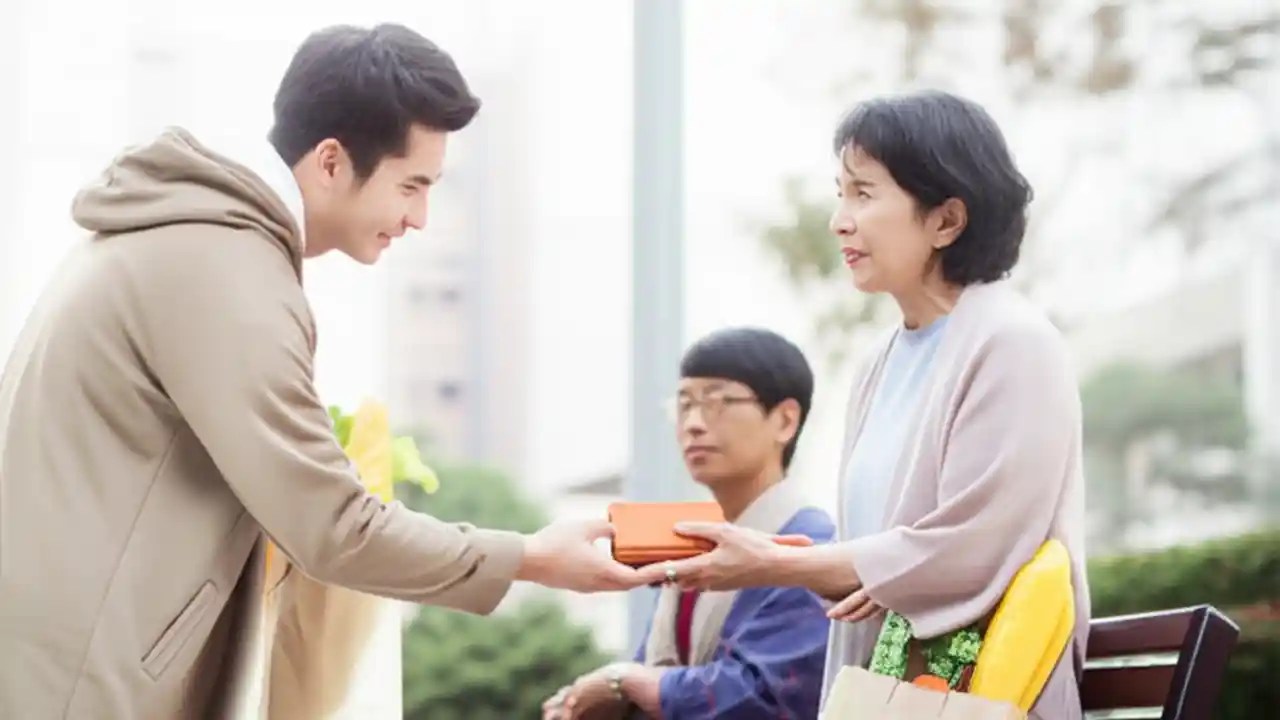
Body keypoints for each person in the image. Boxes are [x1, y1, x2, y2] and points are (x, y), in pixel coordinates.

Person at [0, 24, 646, 719]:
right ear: (332, 161)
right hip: (87, 686)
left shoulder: (180, 238)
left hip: (66, 659)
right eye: (412, 185)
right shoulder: (225, 274)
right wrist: (531, 556)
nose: (420, 217)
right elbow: (333, 528)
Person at [650, 91, 1091, 720]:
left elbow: (975, 545)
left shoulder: (1013, 342)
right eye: (840, 193)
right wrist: (843, 567)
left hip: (975, 696)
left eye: (863, 193)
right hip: (885, 693)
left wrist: (782, 562)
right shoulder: (877, 362)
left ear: (946, 220)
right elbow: (882, 558)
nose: (839, 220)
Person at [543, 328, 835, 720]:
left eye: (717, 402)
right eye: (684, 405)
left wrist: (624, 682)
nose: (693, 424)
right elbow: (655, 670)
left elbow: (760, 698)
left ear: (784, 420)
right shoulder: (692, 544)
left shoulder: (810, 547)